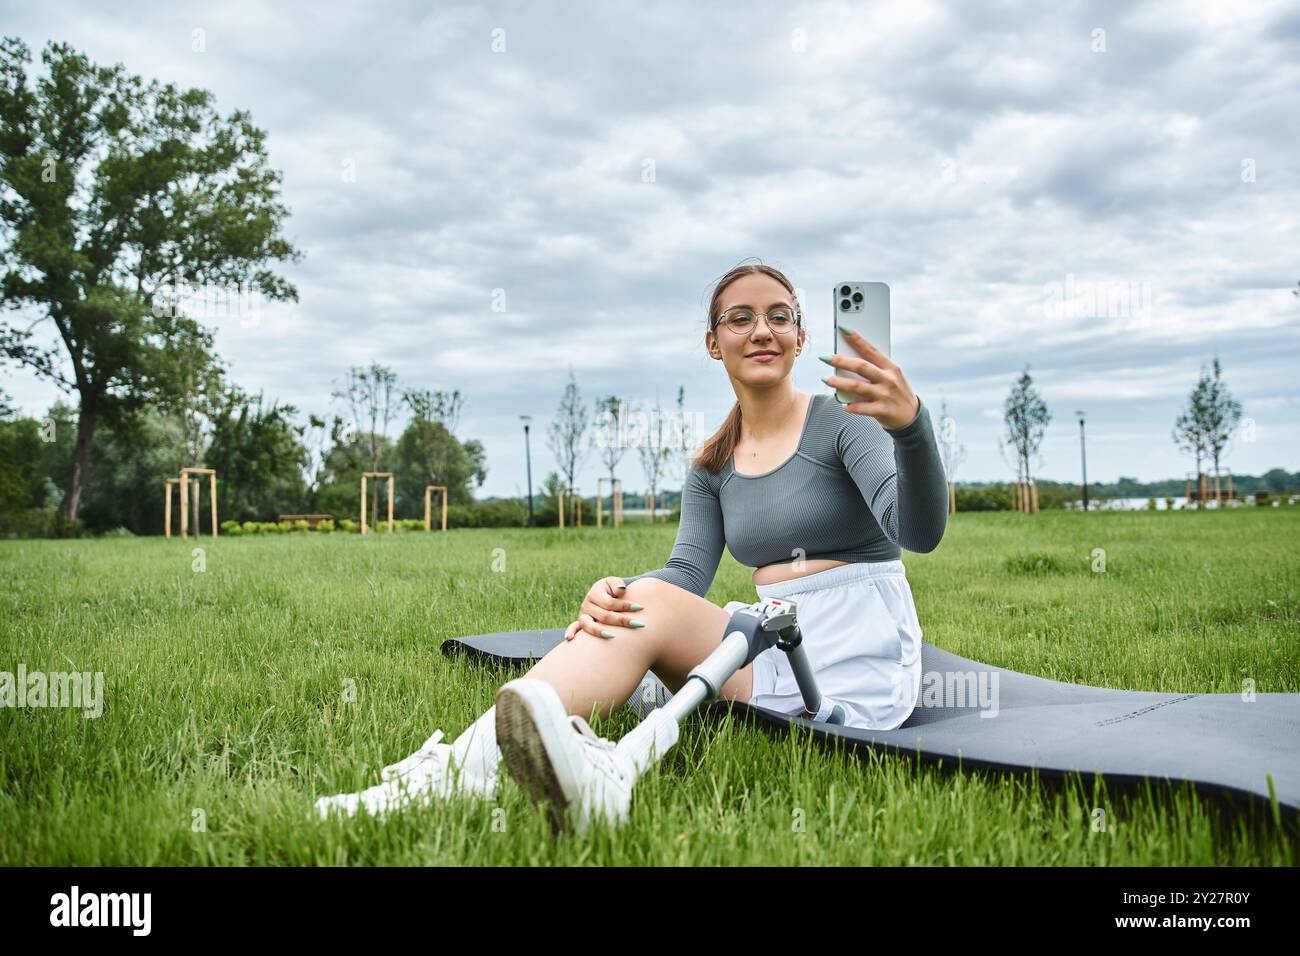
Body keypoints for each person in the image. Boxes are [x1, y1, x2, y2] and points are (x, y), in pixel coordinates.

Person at [315, 261, 949, 834]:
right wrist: (616, 590)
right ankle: (460, 774)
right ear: (713, 342)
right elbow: (686, 573)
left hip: (856, 648)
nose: (763, 330)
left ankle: (455, 777)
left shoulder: (847, 421)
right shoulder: (713, 462)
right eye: (741, 318)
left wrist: (911, 426)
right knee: (635, 605)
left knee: (646, 610)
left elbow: (917, 534)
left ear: (801, 337)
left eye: (780, 316)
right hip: (773, 639)